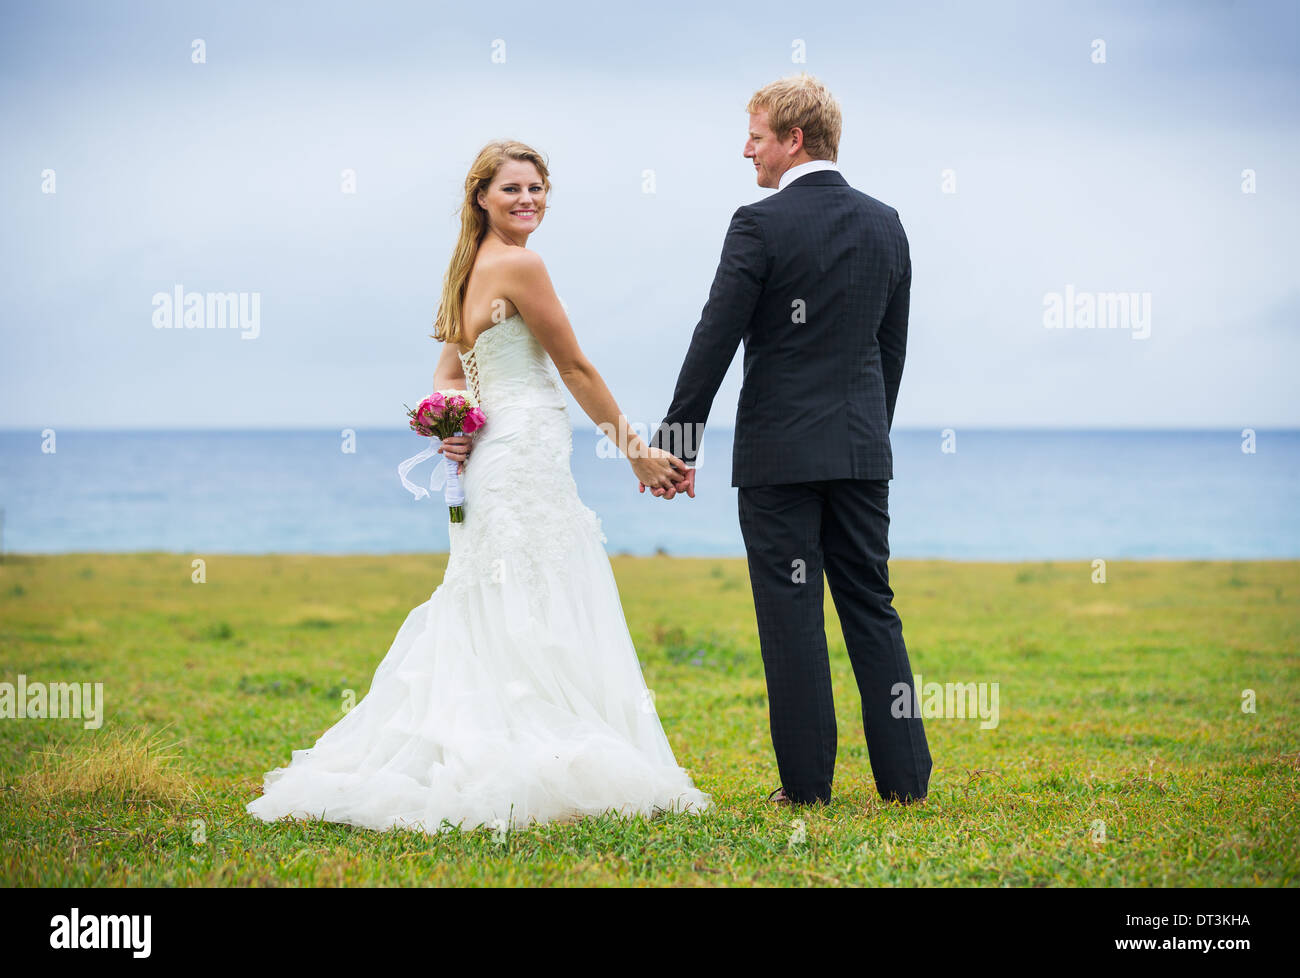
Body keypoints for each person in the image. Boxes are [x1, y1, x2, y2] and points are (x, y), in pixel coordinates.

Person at [246, 140, 712, 834]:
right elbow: (575, 367)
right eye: (512, 190)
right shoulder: (520, 265)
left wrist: (454, 420)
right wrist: (638, 453)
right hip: (521, 446)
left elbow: (447, 375)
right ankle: (526, 747)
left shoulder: (467, 270)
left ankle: (499, 732)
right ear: (481, 198)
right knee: (531, 583)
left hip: (499, 452)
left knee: (498, 586)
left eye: (538, 188)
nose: (529, 200)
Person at [648, 73, 932, 808]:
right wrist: (868, 434)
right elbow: (890, 351)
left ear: (793, 139)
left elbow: (715, 338)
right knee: (873, 604)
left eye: (756, 136)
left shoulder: (758, 224)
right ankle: (905, 782)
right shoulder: (887, 223)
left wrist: (676, 443)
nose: (746, 151)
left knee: (791, 615)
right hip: (862, 452)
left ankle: (807, 789)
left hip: (778, 458)